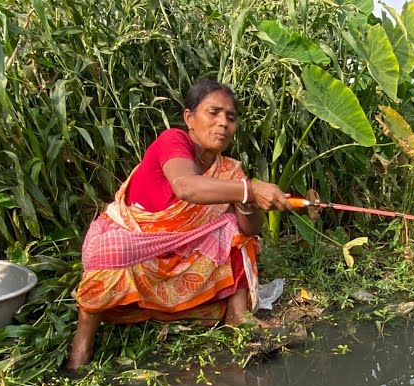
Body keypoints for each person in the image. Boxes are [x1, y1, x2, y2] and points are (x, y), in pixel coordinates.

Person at [65, 79, 294, 370]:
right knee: (111, 249)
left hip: (184, 250)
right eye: (213, 113)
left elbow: (250, 231)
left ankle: (239, 316)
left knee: (232, 228)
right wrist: (249, 190)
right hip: (141, 246)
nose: (223, 123)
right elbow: (187, 186)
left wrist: (247, 203)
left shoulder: (229, 170)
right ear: (189, 118)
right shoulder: (173, 140)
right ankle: (80, 350)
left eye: (231, 118)